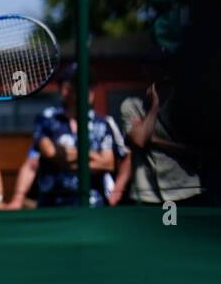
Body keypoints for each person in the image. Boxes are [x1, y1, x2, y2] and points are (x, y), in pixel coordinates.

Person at [13, 66, 126, 207]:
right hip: (53, 205)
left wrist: (65, 156)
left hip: (94, 205)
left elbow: (108, 163)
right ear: (65, 89)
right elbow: (46, 154)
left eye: (90, 85)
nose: (88, 90)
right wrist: (94, 157)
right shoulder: (47, 119)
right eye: (81, 84)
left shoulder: (103, 123)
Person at [114, 76, 202, 206]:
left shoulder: (185, 104)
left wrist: (155, 140)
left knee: (173, 225)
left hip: (183, 190)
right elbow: (139, 140)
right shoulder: (132, 104)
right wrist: (154, 106)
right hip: (146, 193)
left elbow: (197, 150)